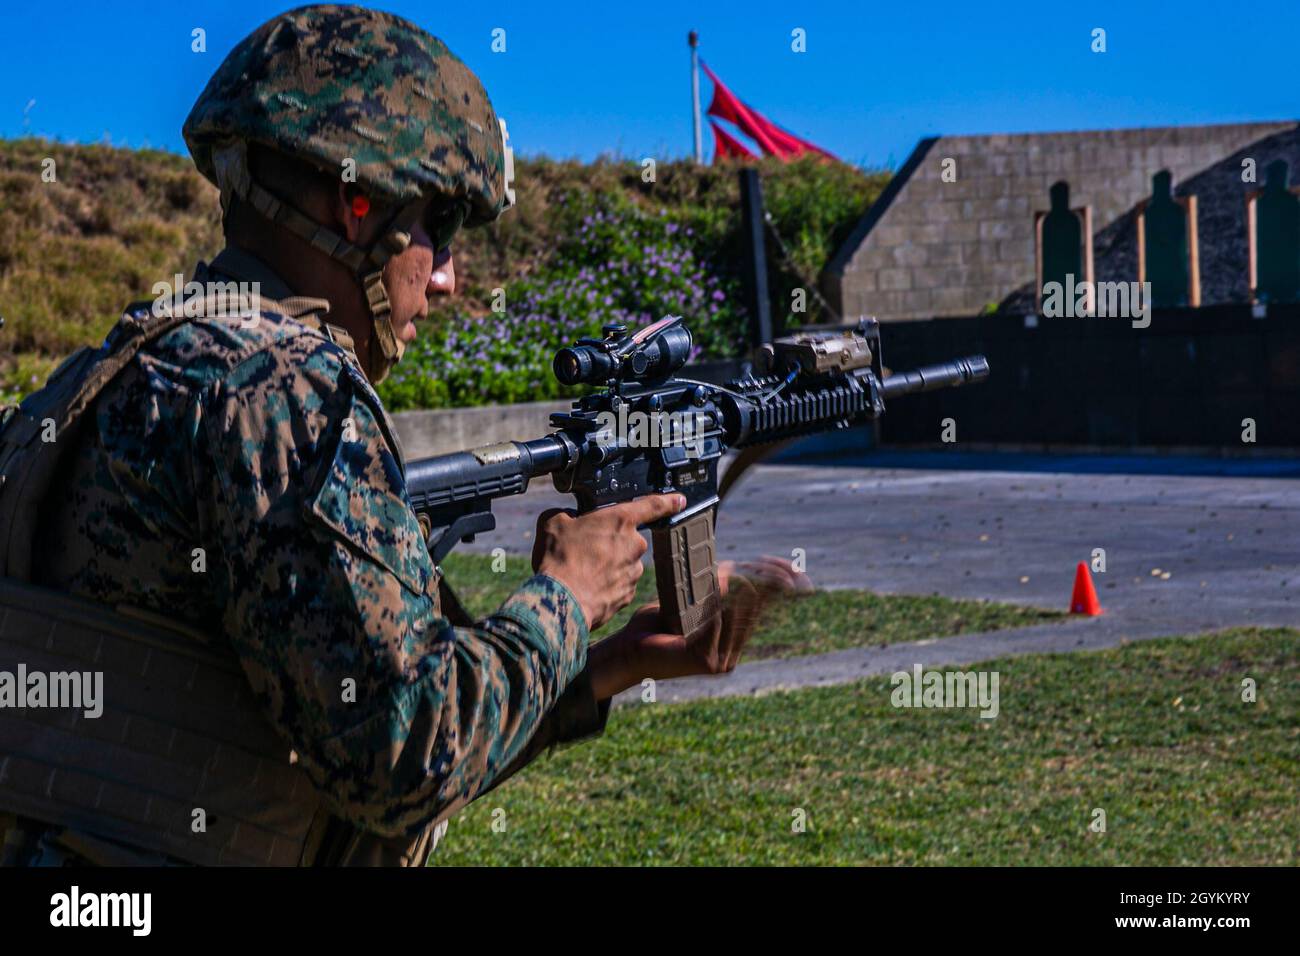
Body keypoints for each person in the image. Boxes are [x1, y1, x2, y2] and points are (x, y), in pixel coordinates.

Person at [0, 4, 806, 866]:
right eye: (438, 229)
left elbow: (299, 746)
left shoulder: (118, 367)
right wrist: (565, 599)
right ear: (356, 208)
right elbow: (405, 761)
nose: (451, 276)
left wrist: (606, 667)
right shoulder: (281, 394)